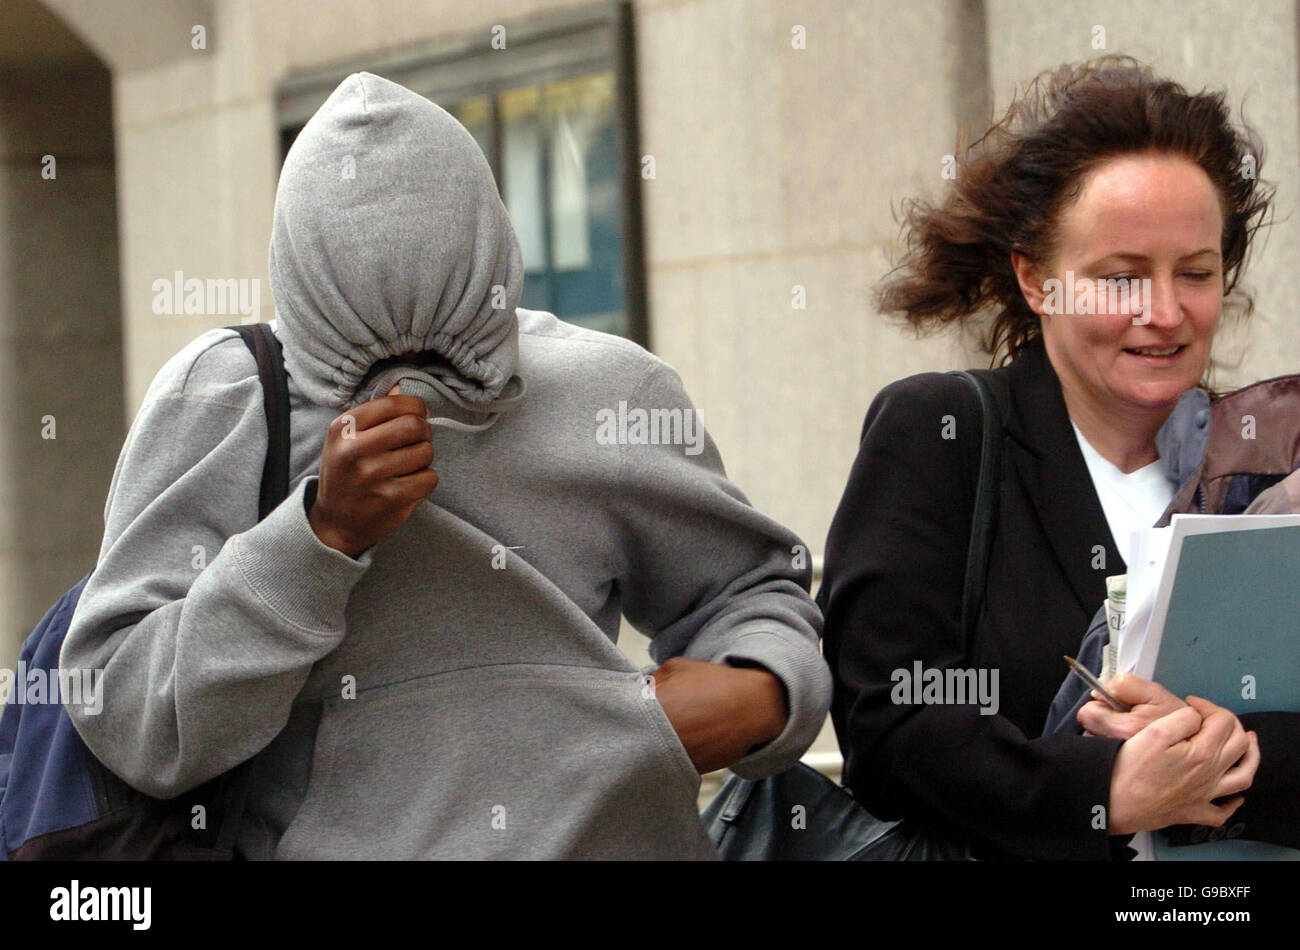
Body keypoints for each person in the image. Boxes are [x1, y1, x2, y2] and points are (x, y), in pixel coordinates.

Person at [61, 72, 830, 860]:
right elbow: (129, 718)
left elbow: (750, 591)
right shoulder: (224, 400)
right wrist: (317, 540)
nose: (411, 386)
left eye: (446, 342)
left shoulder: (613, 390)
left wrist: (758, 690)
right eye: (363, 358)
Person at [818, 57, 1271, 860]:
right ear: (1035, 278)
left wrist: (1225, 754)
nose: (1163, 314)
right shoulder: (939, 433)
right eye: (1121, 277)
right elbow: (889, 726)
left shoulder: (1272, 453)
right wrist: (1106, 789)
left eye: (1195, 274)